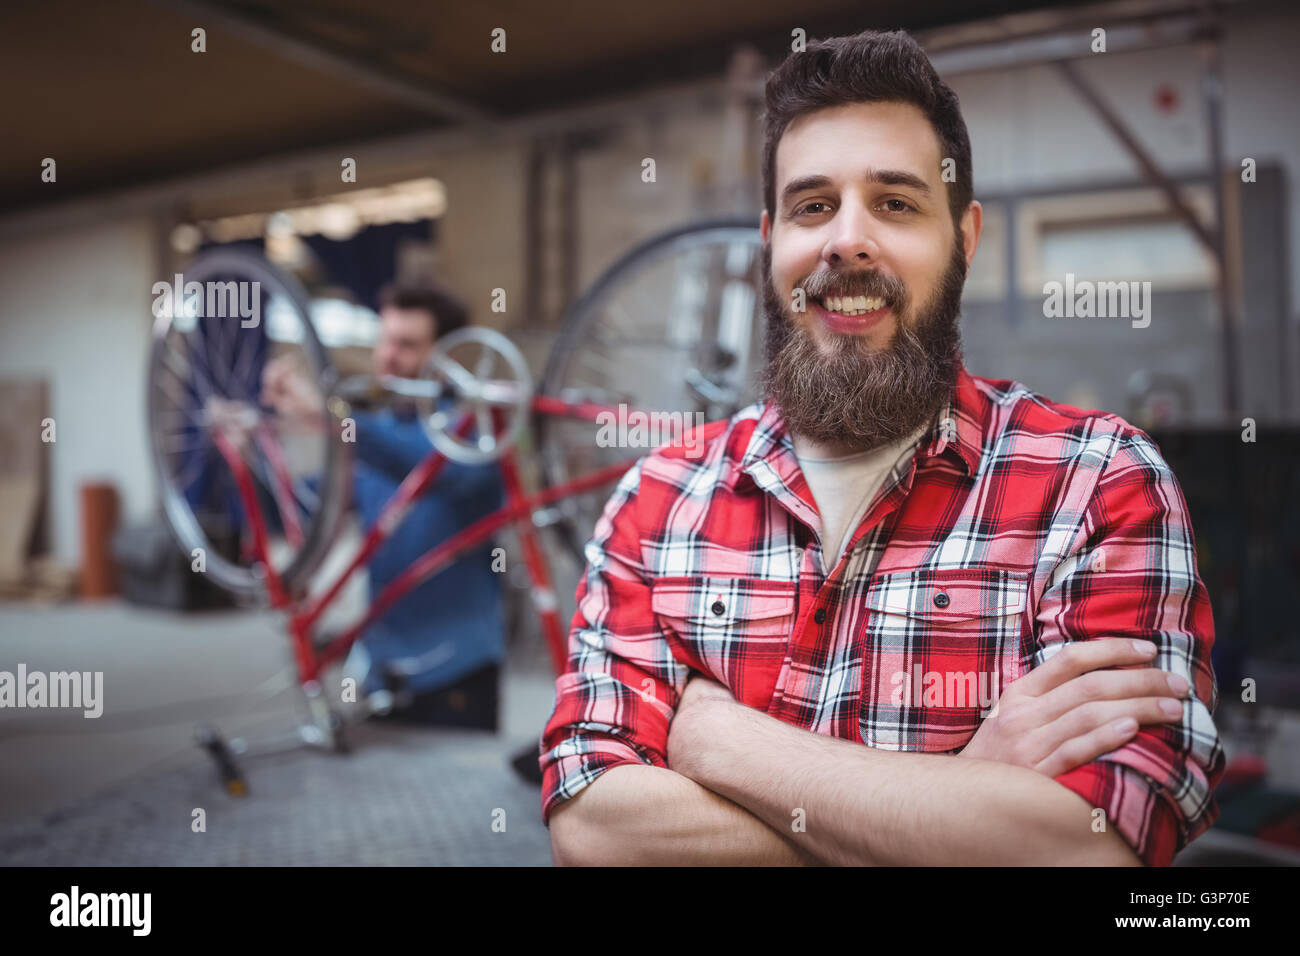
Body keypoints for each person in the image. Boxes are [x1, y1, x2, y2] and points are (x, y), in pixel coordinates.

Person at [540, 29, 1224, 865]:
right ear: (769, 239)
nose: (845, 242)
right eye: (812, 206)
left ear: (964, 238)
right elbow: (596, 831)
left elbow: (1092, 845)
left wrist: (720, 743)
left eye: (896, 203)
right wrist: (952, 802)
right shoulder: (658, 501)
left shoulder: (1098, 486)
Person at [262, 282, 505, 731]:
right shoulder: (375, 435)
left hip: (455, 674)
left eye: (407, 345)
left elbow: (431, 466)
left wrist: (333, 418)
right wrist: (250, 449)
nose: (389, 356)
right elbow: (302, 506)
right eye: (385, 340)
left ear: (445, 357)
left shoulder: (475, 437)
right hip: (382, 671)